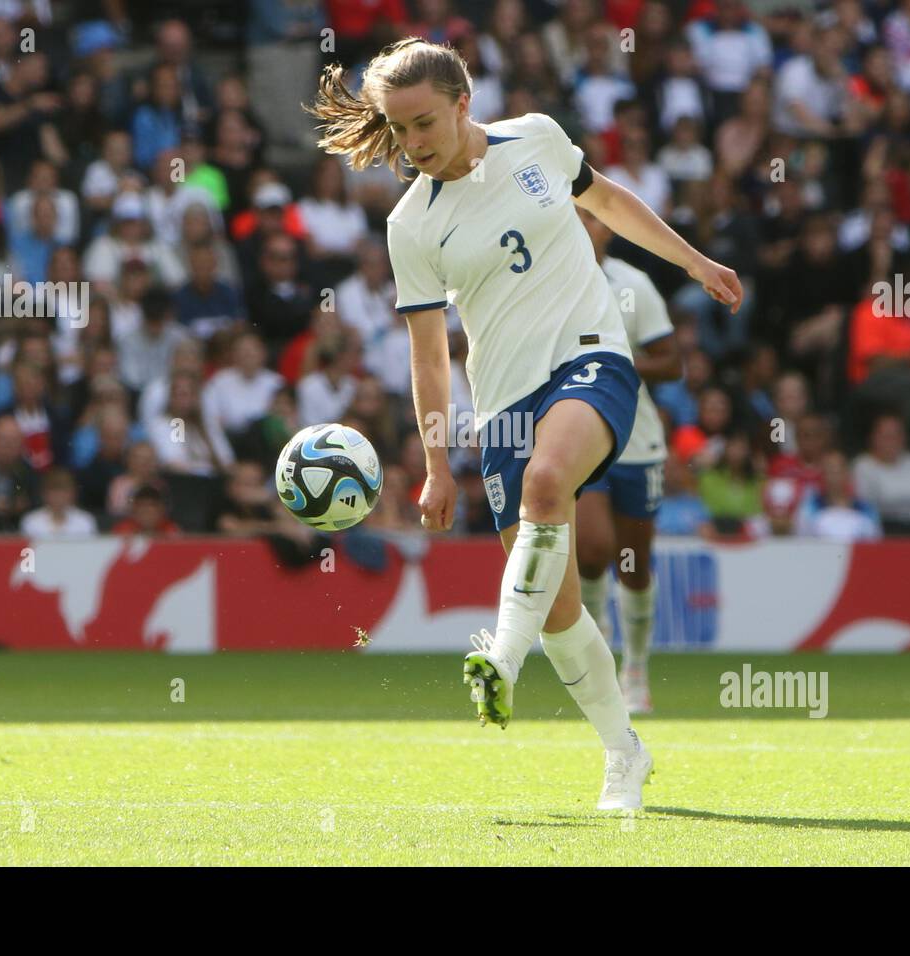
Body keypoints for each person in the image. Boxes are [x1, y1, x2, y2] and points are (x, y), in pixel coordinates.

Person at [308, 37, 742, 810]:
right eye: (399, 130)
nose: (412, 145)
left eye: (424, 124)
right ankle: (623, 752)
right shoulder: (411, 226)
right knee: (561, 609)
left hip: (592, 359)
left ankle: (498, 659)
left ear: (464, 104)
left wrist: (692, 262)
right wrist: (440, 465)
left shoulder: (538, 137)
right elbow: (430, 357)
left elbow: (606, 200)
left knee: (548, 482)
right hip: (503, 404)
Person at [574, 204, 680, 714]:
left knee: (632, 565)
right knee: (592, 549)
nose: (583, 224)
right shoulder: (546, 284)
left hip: (637, 441)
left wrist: (617, 362)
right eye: (572, 216)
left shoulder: (633, 284)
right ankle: (598, 664)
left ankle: (635, 666)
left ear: (607, 228)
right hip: (582, 439)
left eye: (592, 217)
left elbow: (673, 361)